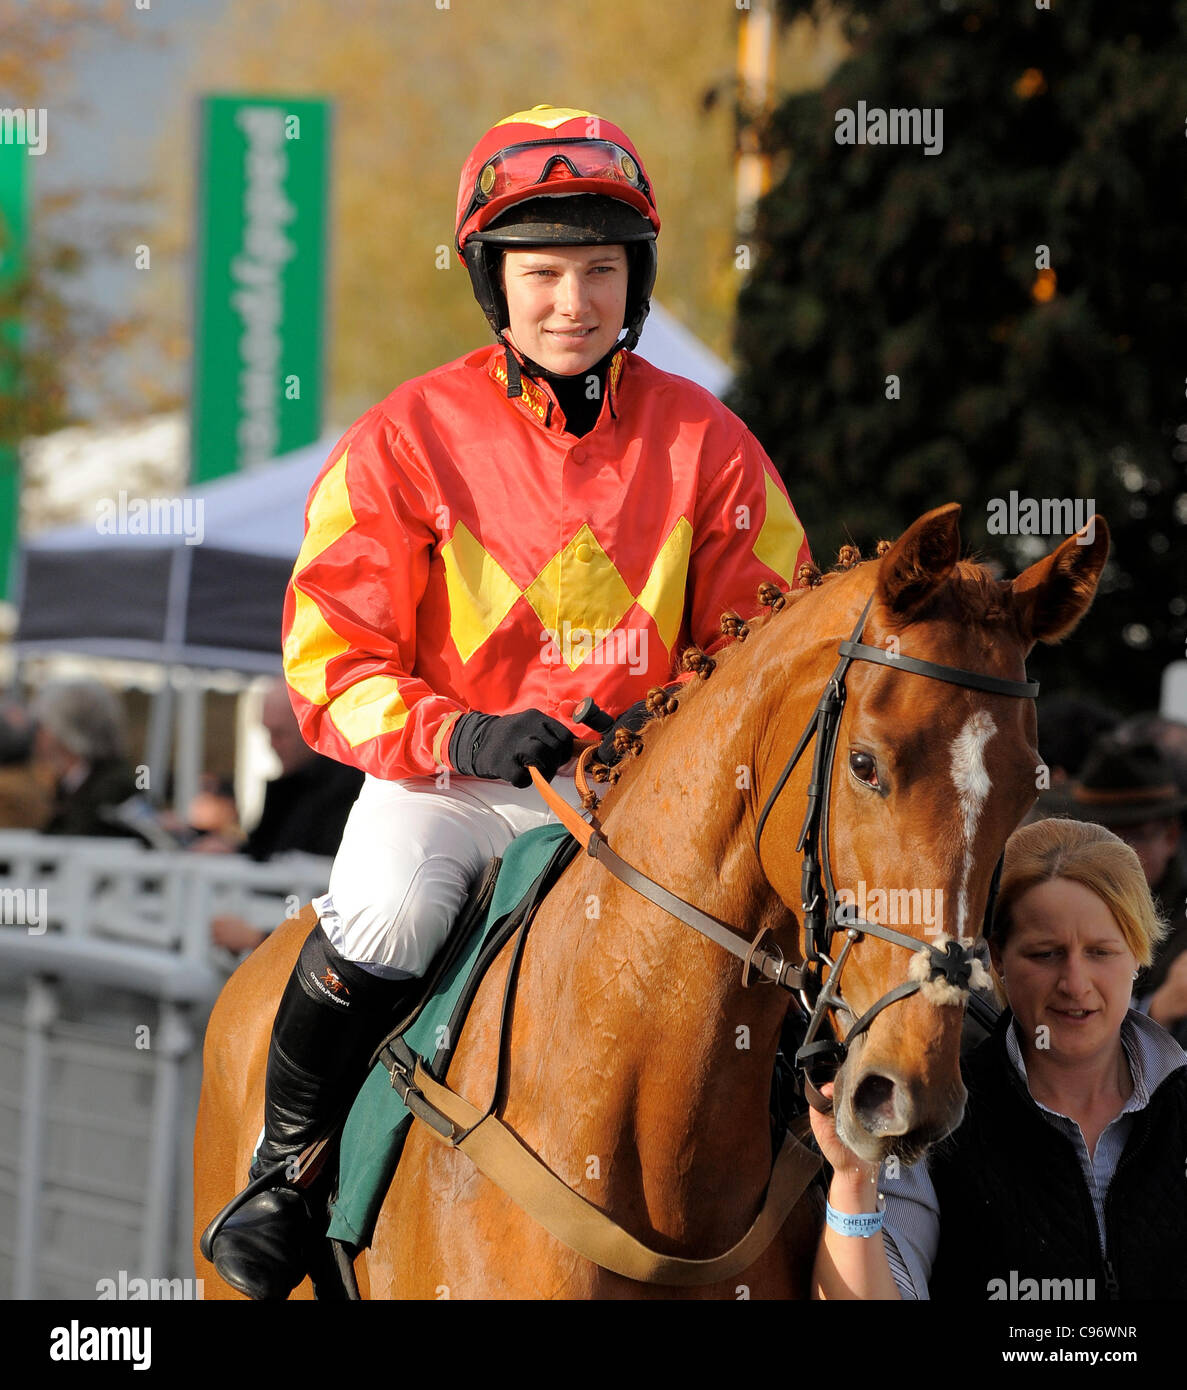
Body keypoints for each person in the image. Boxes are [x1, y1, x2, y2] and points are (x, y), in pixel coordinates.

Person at [208, 103, 813, 1300]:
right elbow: (328, 655)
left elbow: (770, 650)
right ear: (494, 283)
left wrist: (673, 741)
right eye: (541, 273)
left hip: (636, 812)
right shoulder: (405, 436)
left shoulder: (713, 444)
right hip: (455, 786)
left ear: (633, 282)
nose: (571, 303)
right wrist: (459, 731)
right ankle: (286, 1172)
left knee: (781, 964)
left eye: (599, 271)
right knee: (380, 915)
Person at [810, 817, 1187, 1301]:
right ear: (998, 959)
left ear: (1138, 953)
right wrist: (853, 1180)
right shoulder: (938, 1122)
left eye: (1101, 952)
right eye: (1046, 954)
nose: (1075, 982)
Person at [29, 680, 143, 839]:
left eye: (41, 726)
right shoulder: (72, 783)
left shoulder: (113, 788)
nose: (37, 736)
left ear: (66, 731)